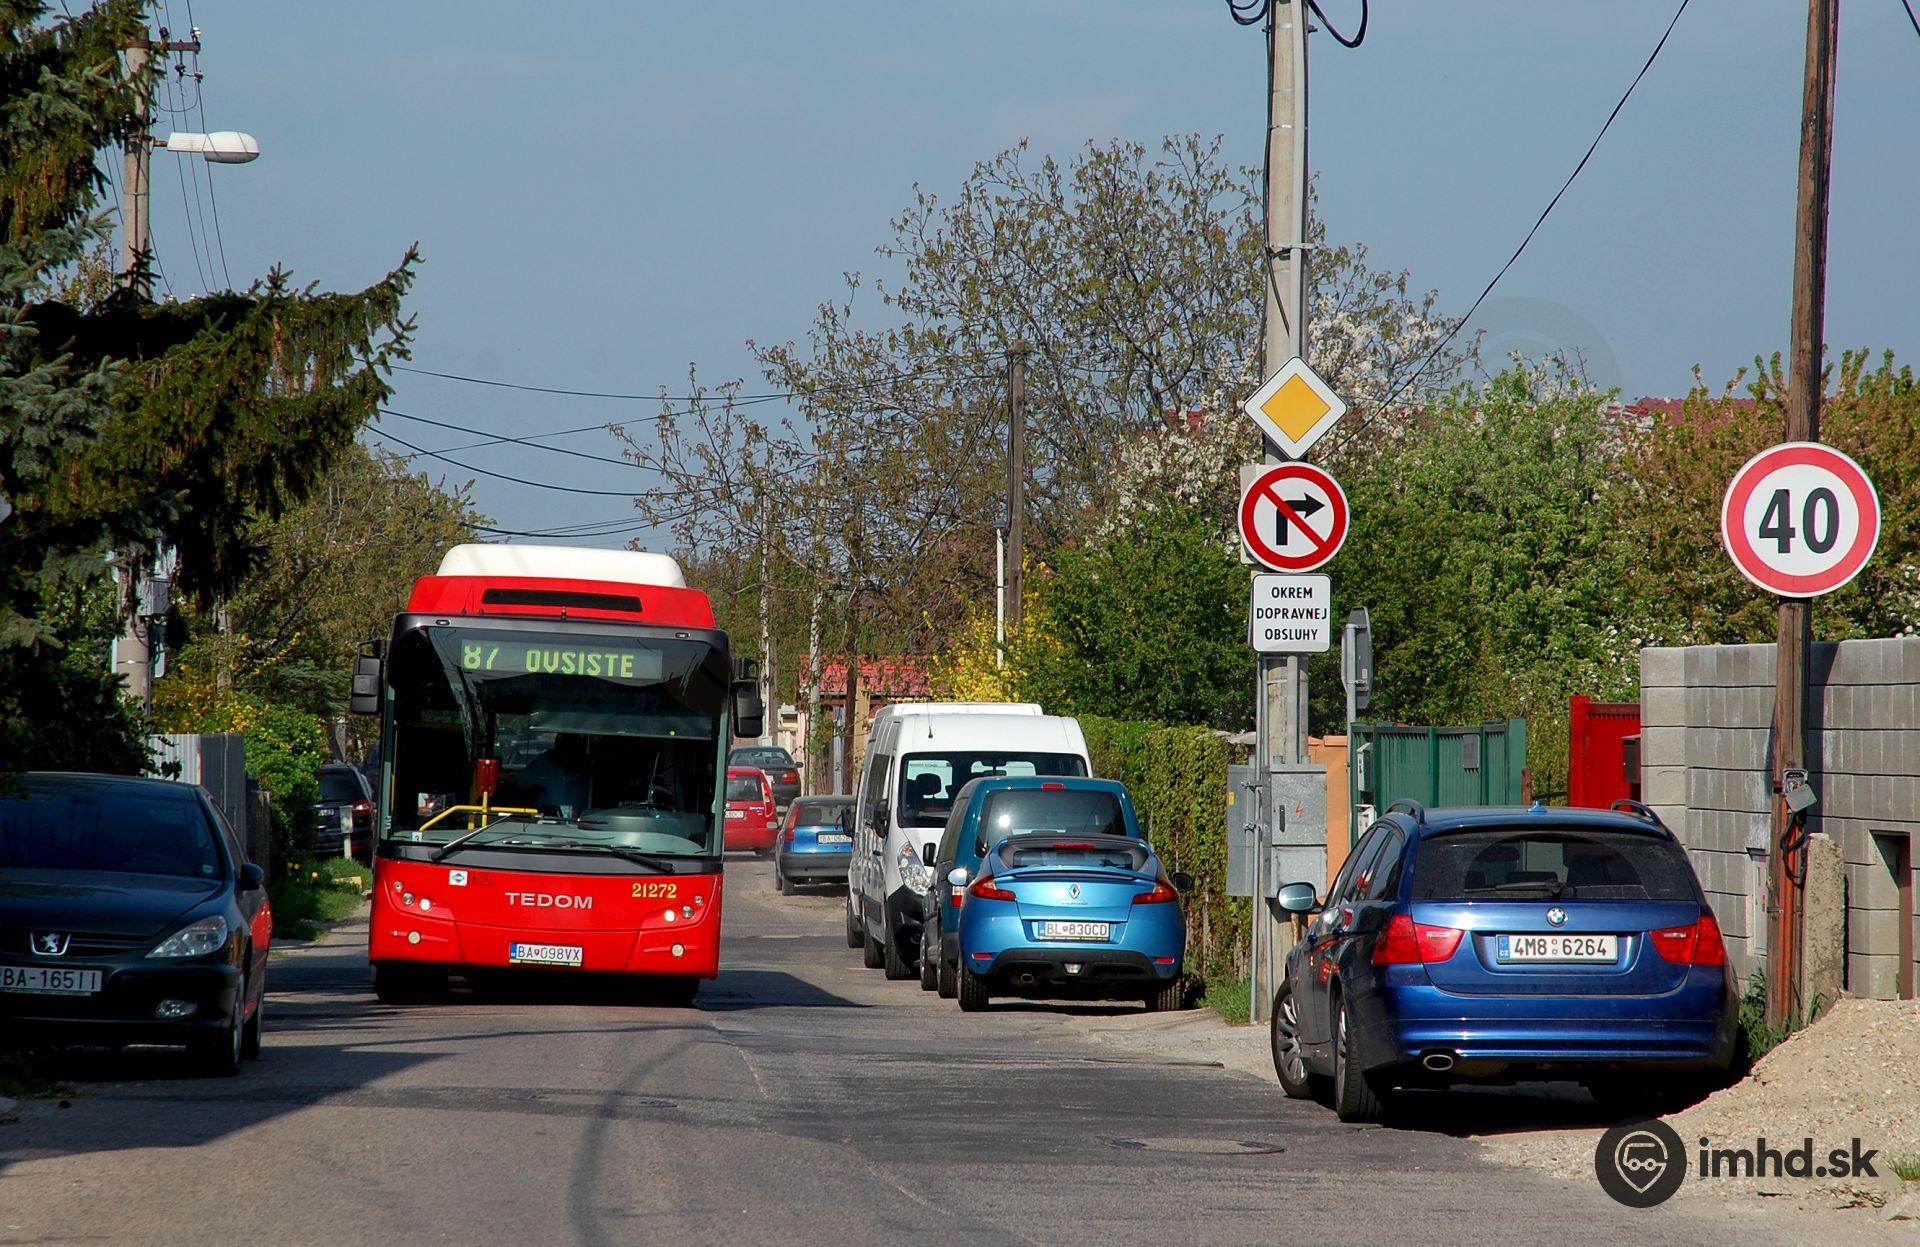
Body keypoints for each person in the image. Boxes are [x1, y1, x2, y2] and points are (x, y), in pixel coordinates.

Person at [515, 733, 592, 817]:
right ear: (556, 745)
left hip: (584, 819)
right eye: (563, 744)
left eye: (571, 744)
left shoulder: (588, 765)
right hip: (546, 817)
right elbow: (522, 779)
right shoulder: (545, 761)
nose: (566, 751)